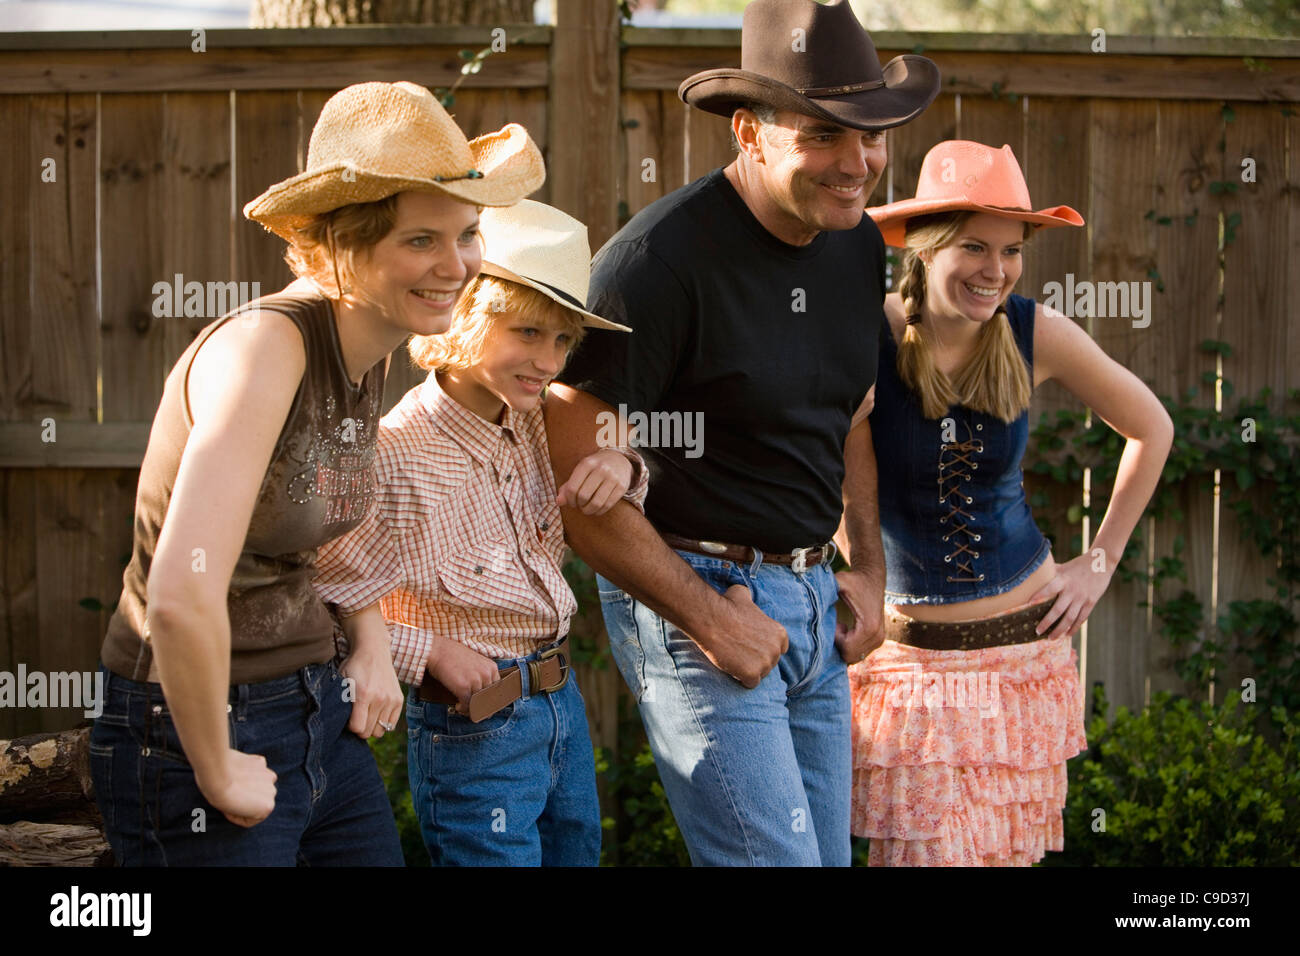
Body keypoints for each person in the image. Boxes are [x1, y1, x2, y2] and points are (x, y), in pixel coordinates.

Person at [90, 81, 544, 866]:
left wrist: (368, 641)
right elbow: (178, 589)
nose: (457, 265)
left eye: (466, 234)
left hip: (314, 707)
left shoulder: (369, 351)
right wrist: (213, 765)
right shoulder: (267, 349)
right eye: (420, 241)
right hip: (197, 720)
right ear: (342, 243)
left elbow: (309, 539)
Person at [543, 0, 940, 865]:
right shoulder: (657, 265)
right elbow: (570, 482)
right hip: (698, 601)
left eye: (870, 134)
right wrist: (708, 620)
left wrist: (868, 569)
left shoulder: (857, 245)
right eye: (824, 135)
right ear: (749, 131)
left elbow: (855, 417)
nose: (857, 161)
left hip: (814, 600)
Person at [847, 139, 1173, 865]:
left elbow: (1152, 428)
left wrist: (1101, 559)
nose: (996, 270)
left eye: (1013, 249)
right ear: (927, 246)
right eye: (974, 246)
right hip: (908, 669)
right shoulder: (865, 333)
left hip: (1022, 658)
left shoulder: (1034, 332)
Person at [313, 200, 647, 866]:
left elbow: (625, 454)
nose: (548, 361)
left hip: (559, 704)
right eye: (527, 333)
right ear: (465, 312)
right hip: (476, 725)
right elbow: (324, 592)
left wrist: (622, 463)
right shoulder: (396, 453)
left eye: (561, 340)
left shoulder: (533, 421)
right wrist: (427, 650)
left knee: (577, 853)